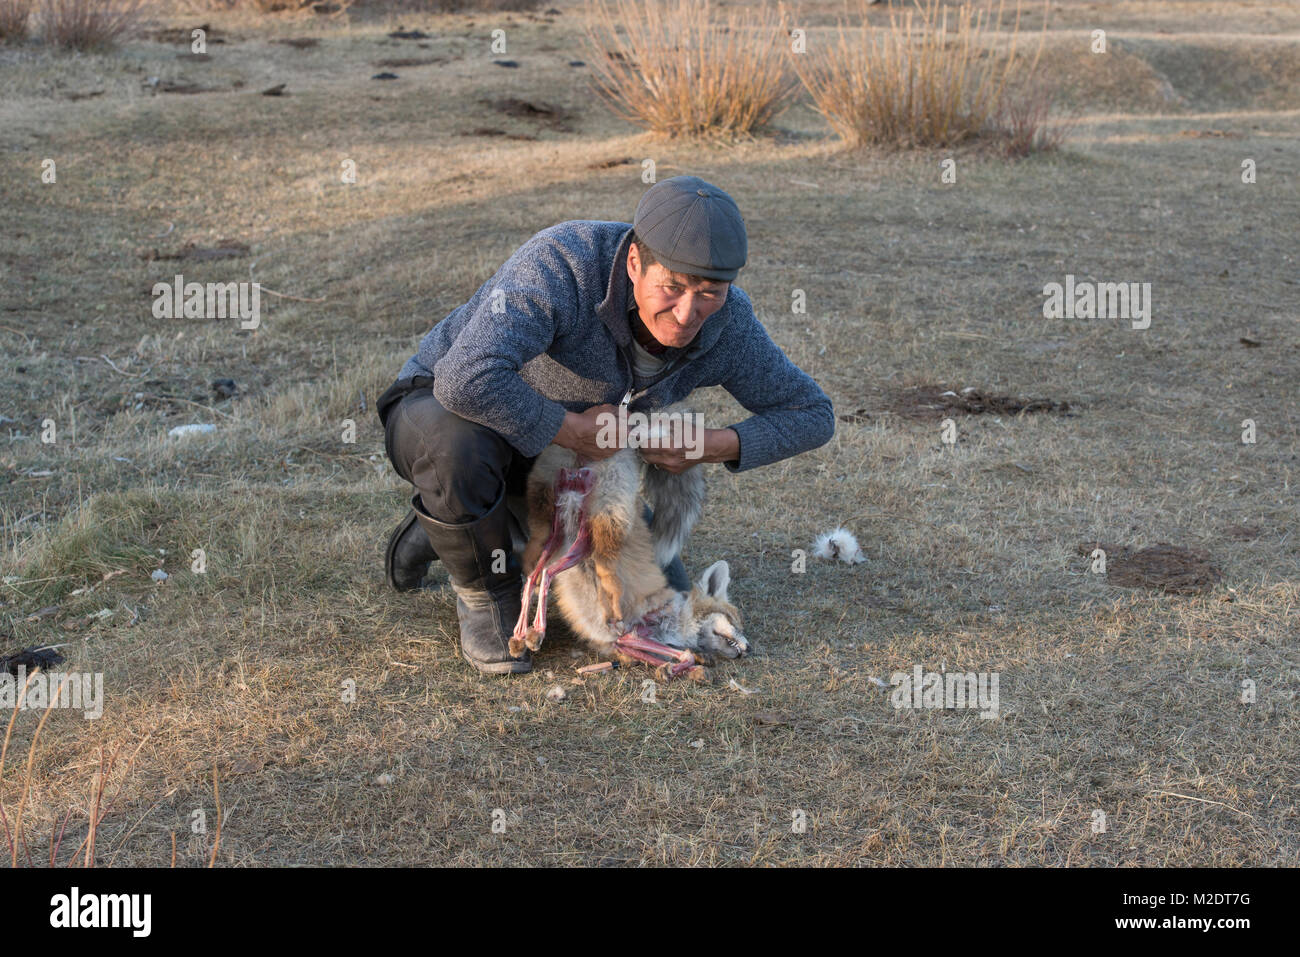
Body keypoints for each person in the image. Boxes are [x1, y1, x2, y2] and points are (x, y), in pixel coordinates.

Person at [377, 175, 834, 675]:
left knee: (658, 601)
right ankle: (485, 590)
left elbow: (812, 414)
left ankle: (472, 522)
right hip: (443, 409)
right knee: (457, 449)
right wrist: (571, 428)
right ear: (635, 263)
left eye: (709, 292)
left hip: (567, 463)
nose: (687, 314)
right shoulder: (561, 262)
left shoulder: (730, 324)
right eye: (672, 287)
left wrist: (710, 445)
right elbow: (464, 378)